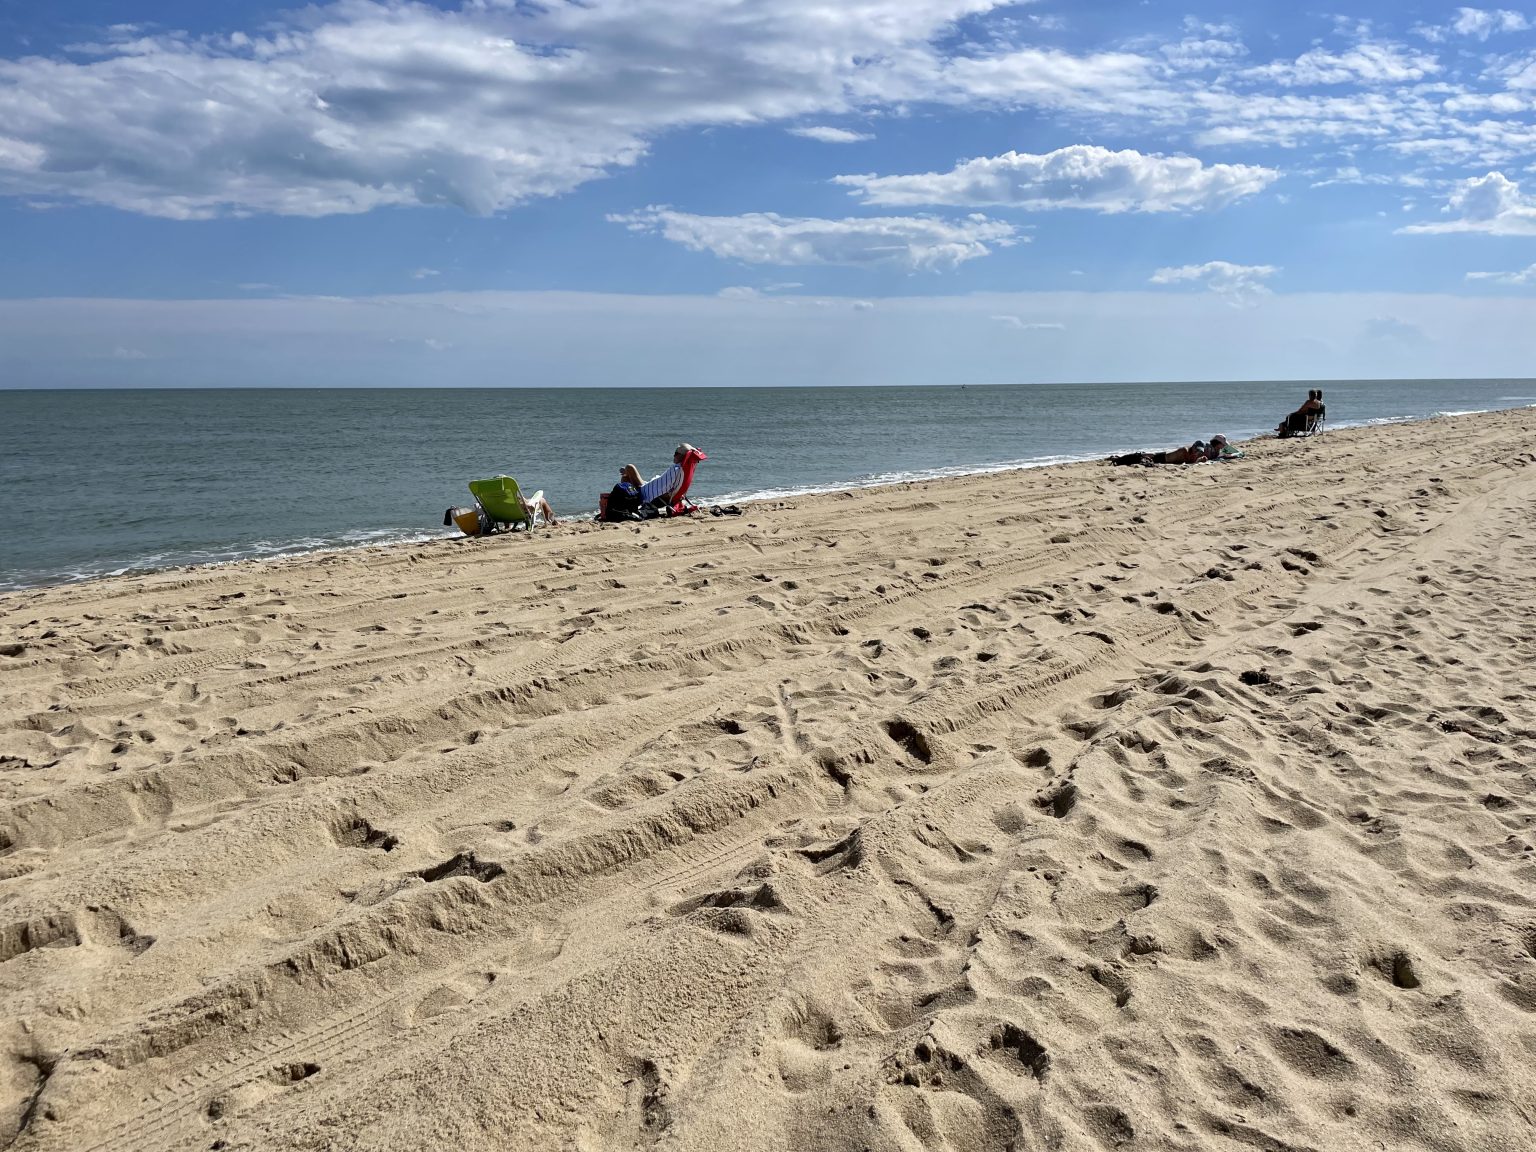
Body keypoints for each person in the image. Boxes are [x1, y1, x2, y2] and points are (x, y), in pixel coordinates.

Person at [640, 443, 696, 507]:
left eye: (676, 454)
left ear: (682, 456)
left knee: (630, 468)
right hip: (672, 496)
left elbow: (662, 488)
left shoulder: (676, 470)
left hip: (651, 495)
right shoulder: (686, 469)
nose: (673, 455)